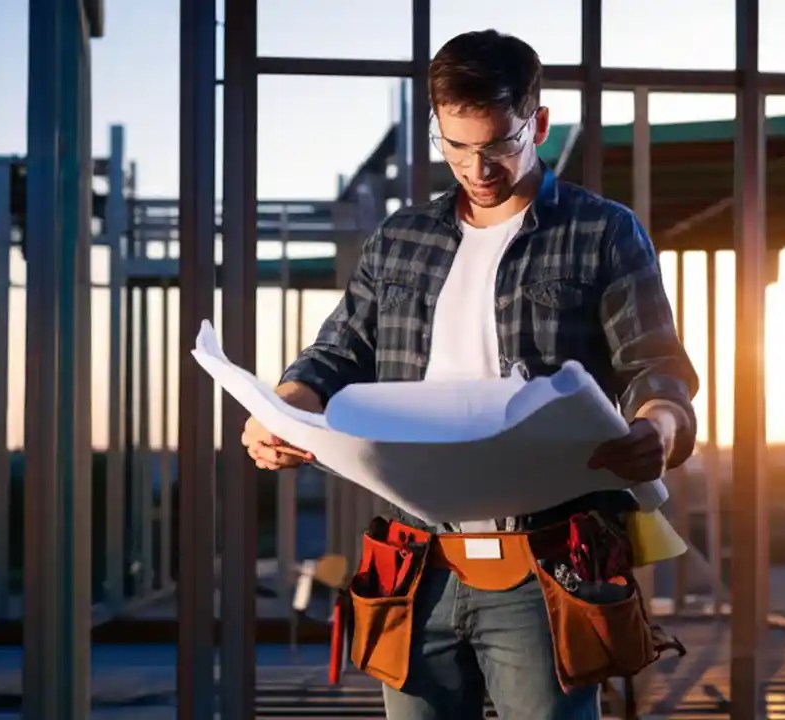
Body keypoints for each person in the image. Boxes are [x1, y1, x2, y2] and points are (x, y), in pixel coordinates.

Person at [242, 29, 699, 720]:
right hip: (415, 565)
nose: (478, 167)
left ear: (538, 123)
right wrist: (279, 413)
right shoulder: (401, 241)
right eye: (456, 147)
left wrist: (659, 429)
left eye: (500, 145)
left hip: (544, 565)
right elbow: (333, 356)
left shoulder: (602, 232)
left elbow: (656, 367)